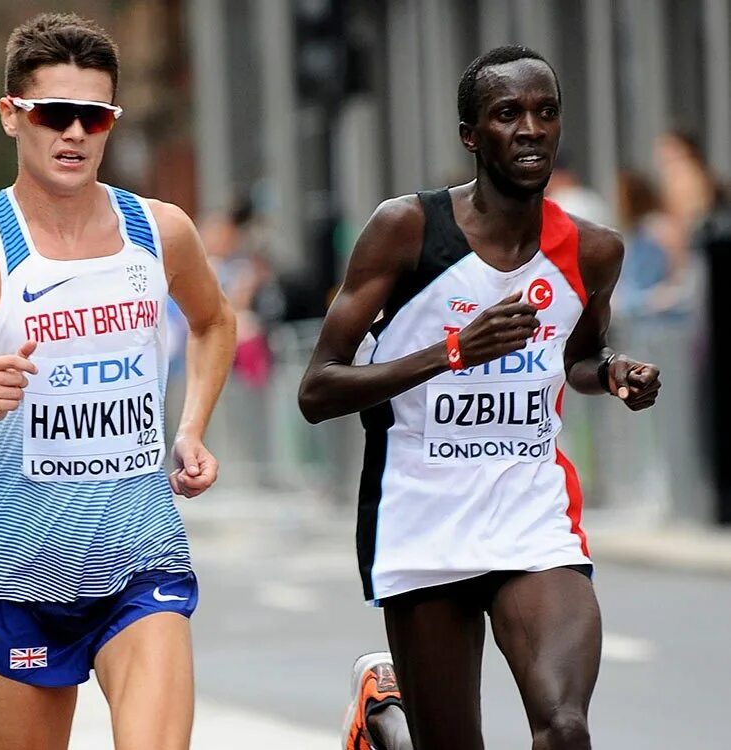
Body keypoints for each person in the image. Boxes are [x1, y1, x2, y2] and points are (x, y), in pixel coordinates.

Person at [0, 13, 235, 750]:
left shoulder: (159, 231)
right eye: (52, 114)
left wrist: (190, 427)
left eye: (93, 116)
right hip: (22, 580)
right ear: (11, 116)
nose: (74, 134)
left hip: (142, 565)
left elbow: (215, 321)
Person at [296, 46, 661, 750]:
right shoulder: (406, 230)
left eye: (544, 112)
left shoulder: (593, 251)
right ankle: (382, 716)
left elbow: (578, 356)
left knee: (565, 728)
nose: (530, 128)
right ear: (471, 136)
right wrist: (455, 350)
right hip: (422, 519)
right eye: (507, 114)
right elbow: (318, 389)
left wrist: (613, 372)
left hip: (532, 515)